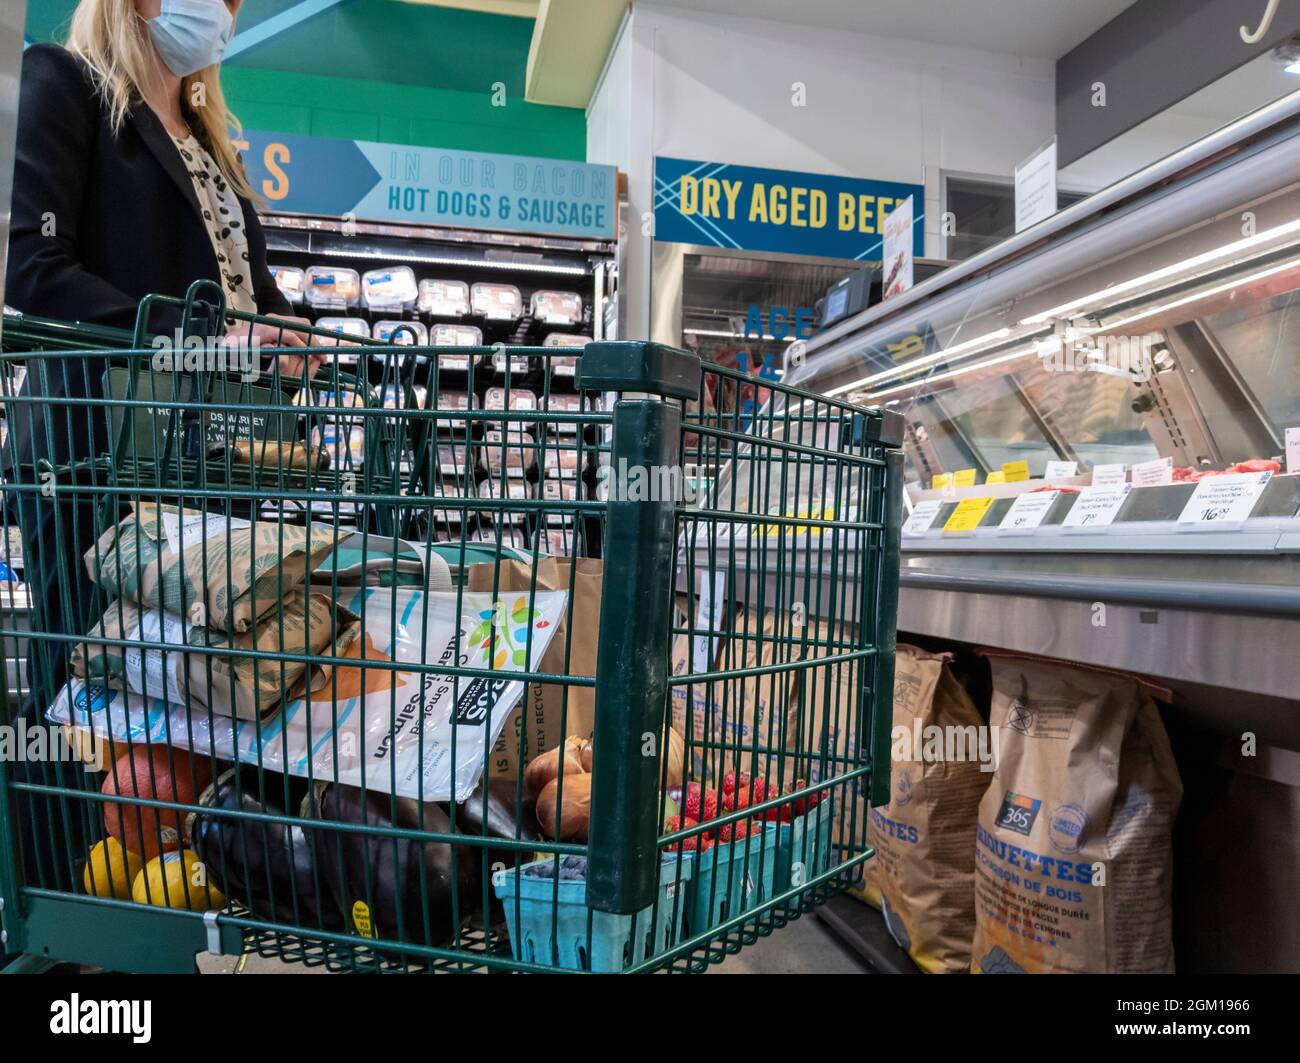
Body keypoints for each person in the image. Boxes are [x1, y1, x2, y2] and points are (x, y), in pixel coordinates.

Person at [0, 0, 320, 901]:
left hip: (208, 458)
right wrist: (201, 336)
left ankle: (173, 898)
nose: (218, 11)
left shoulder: (214, 134)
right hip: (100, 450)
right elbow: (36, 272)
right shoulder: (68, 86)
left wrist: (291, 335)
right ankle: (59, 908)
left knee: (195, 688)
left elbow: (245, 291)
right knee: (91, 690)